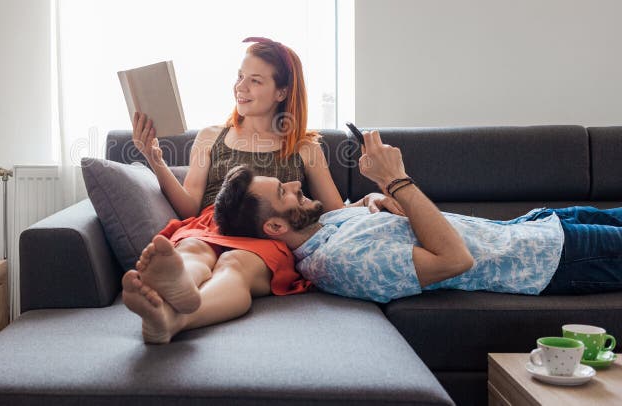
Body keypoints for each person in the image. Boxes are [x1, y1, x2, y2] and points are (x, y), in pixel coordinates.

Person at [123, 36, 360, 344]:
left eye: (255, 80)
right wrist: (155, 161)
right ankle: (176, 291)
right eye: (239, 77)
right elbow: (190, 207)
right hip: (211, 224)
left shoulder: (304, 146)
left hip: (266, 236)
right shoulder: (210, 137)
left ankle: (175, 319)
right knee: (193, 249)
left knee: (235, 264)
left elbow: (333, 212)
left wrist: (374, 197)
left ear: (282, 92)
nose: (241, 87)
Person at [213, 130, 622, 303]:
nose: (296, 186)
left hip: (538, 225)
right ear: (274, 227)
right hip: (553, 260)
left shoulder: (326, 226)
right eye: (284, 192)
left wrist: (377, 197)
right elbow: (454, 261)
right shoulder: (340, 262)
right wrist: (396, 180)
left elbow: (370, 208)